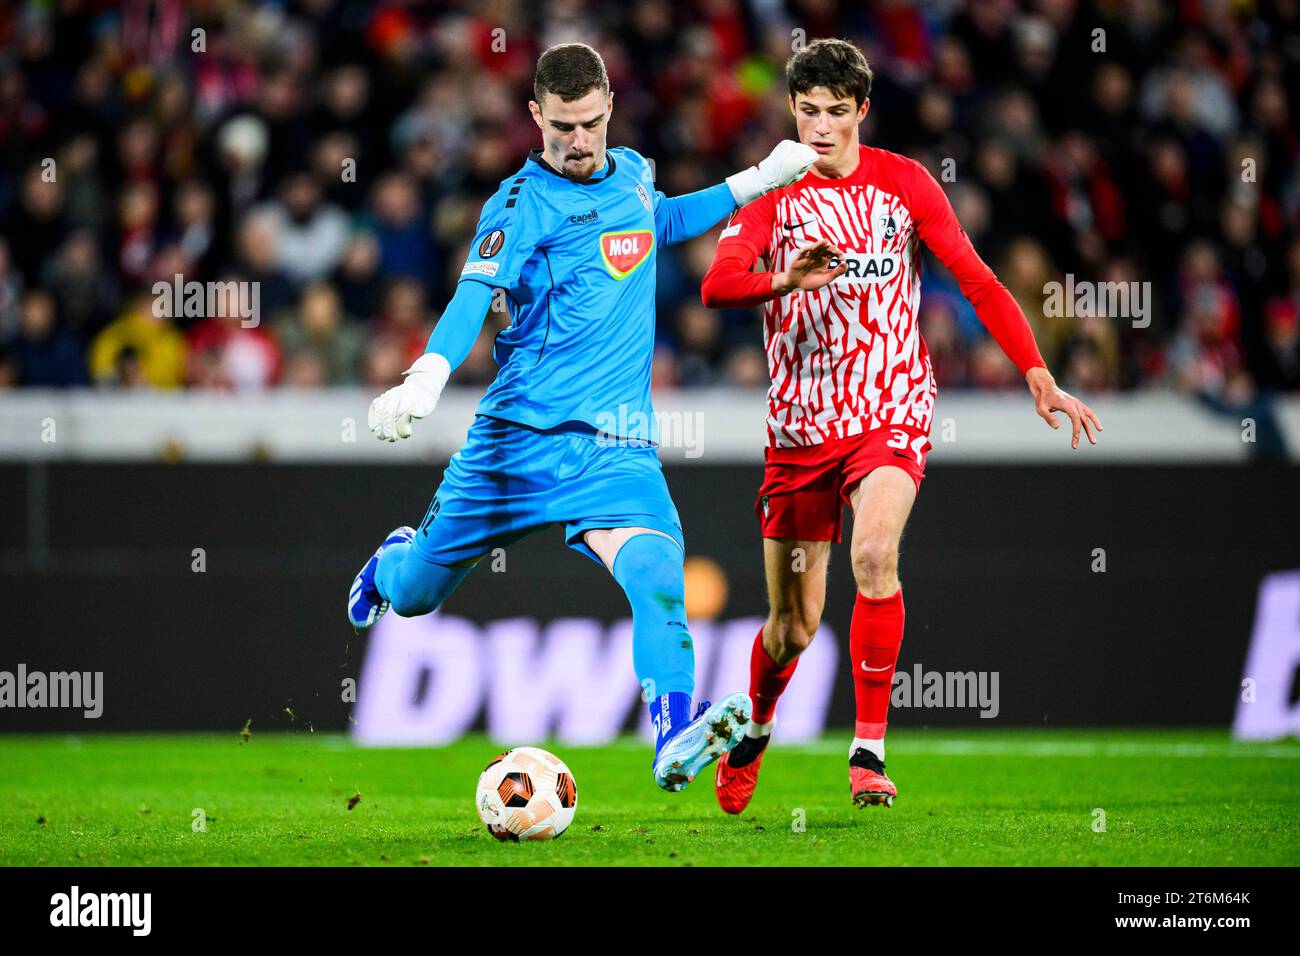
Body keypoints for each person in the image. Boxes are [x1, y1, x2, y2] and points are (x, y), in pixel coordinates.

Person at [348, 43, 817, 796]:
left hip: (615, 446)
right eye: (562, 126)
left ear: (609, 112)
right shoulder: (518, 203)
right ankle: (393, 560)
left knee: (660, 578)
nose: (577, 141)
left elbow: (661, 221)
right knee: (413, 598)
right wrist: (424, 380)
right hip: (513, 445)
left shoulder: (633, 171)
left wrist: (759, 179)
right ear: (536, 117)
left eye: (590, 123)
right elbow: (475, 294)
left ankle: (673, 736)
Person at [701, 38, 1102, 811]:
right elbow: (719, 287)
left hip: (890, 411)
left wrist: (1036, 371)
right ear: (792, 108)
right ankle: (755, 726)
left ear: (863, 111)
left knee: (876, 555)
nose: (821, 126)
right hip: (798, 430)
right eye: (808, 110)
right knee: (793, 628)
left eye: (836, 112)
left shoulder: (906, 185)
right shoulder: (770, 194)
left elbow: (978, 281)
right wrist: (785, 276)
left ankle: (868, 752)